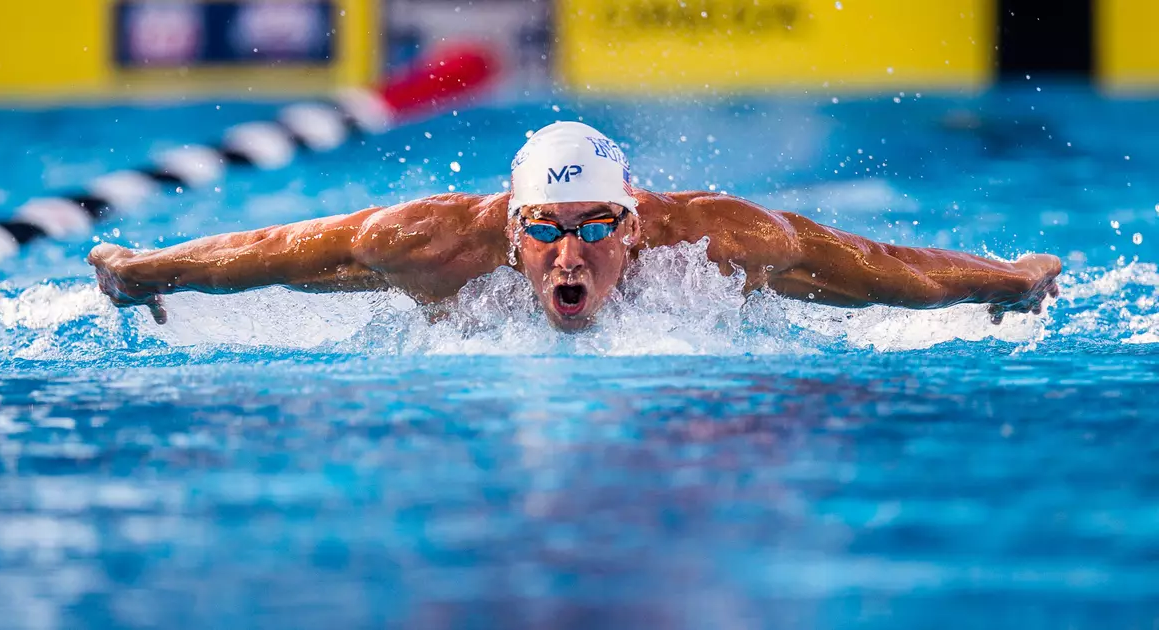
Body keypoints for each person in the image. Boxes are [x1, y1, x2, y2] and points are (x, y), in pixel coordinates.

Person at [88, 121, 1061, 332]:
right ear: (511, 234)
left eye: (598, 227)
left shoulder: (715, 240)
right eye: (546, 229)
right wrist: (148, 271)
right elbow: (274, 252)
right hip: (440, 285)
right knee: (351, 271)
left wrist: (1003, 282)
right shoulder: (438, 244)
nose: (570, 251)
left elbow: (871, 265)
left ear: (637, 230)